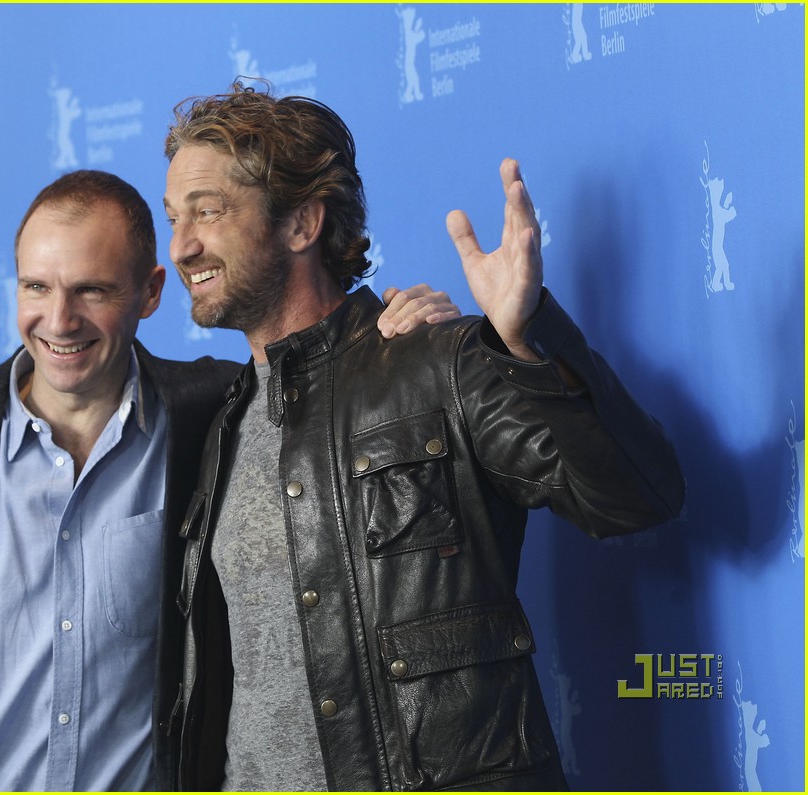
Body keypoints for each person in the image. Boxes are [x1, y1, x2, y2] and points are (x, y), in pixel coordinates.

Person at [0, 170, 458, 790]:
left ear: (152, 291)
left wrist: (391, 344)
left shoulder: (218, 413)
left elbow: (329, 401)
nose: (58, 320)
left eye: (92, 290)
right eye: (36, 286)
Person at [162, 85, 686, 791]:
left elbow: (634, 496)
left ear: (302, 223)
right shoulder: (220, 422)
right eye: (174, 218)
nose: (182, 245)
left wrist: (527, 337)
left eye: (208, 211)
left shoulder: (438, 362)